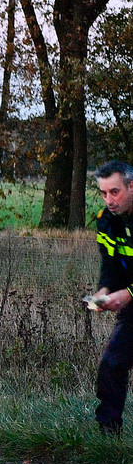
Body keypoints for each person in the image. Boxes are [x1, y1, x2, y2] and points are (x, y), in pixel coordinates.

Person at [92, 161, 133, 436]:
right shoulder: (105, 220)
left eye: (115, 192)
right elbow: (111, 265)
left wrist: (128, 294)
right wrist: (104, 291)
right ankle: (108, 435)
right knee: (112, 363)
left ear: (132, 187)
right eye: (104, 193)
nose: (109, 200)